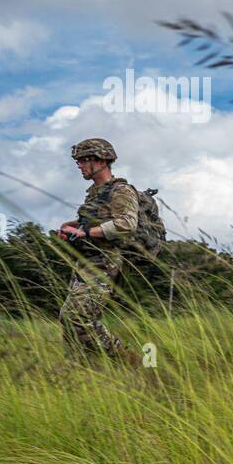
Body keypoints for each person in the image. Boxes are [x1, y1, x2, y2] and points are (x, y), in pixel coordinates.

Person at [55, 138, 141, 364]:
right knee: (69, 317)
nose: (80, 166)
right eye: (79, 162)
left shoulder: (121, 190)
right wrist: (71, 226)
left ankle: (128, 361)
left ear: (101, 160)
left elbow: (127, 223)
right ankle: (81, 368)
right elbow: (94, 219)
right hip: (86, 261)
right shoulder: (95, 192)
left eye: (84, 160)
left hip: (104, 263)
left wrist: (87, 233)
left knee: (78, 316)